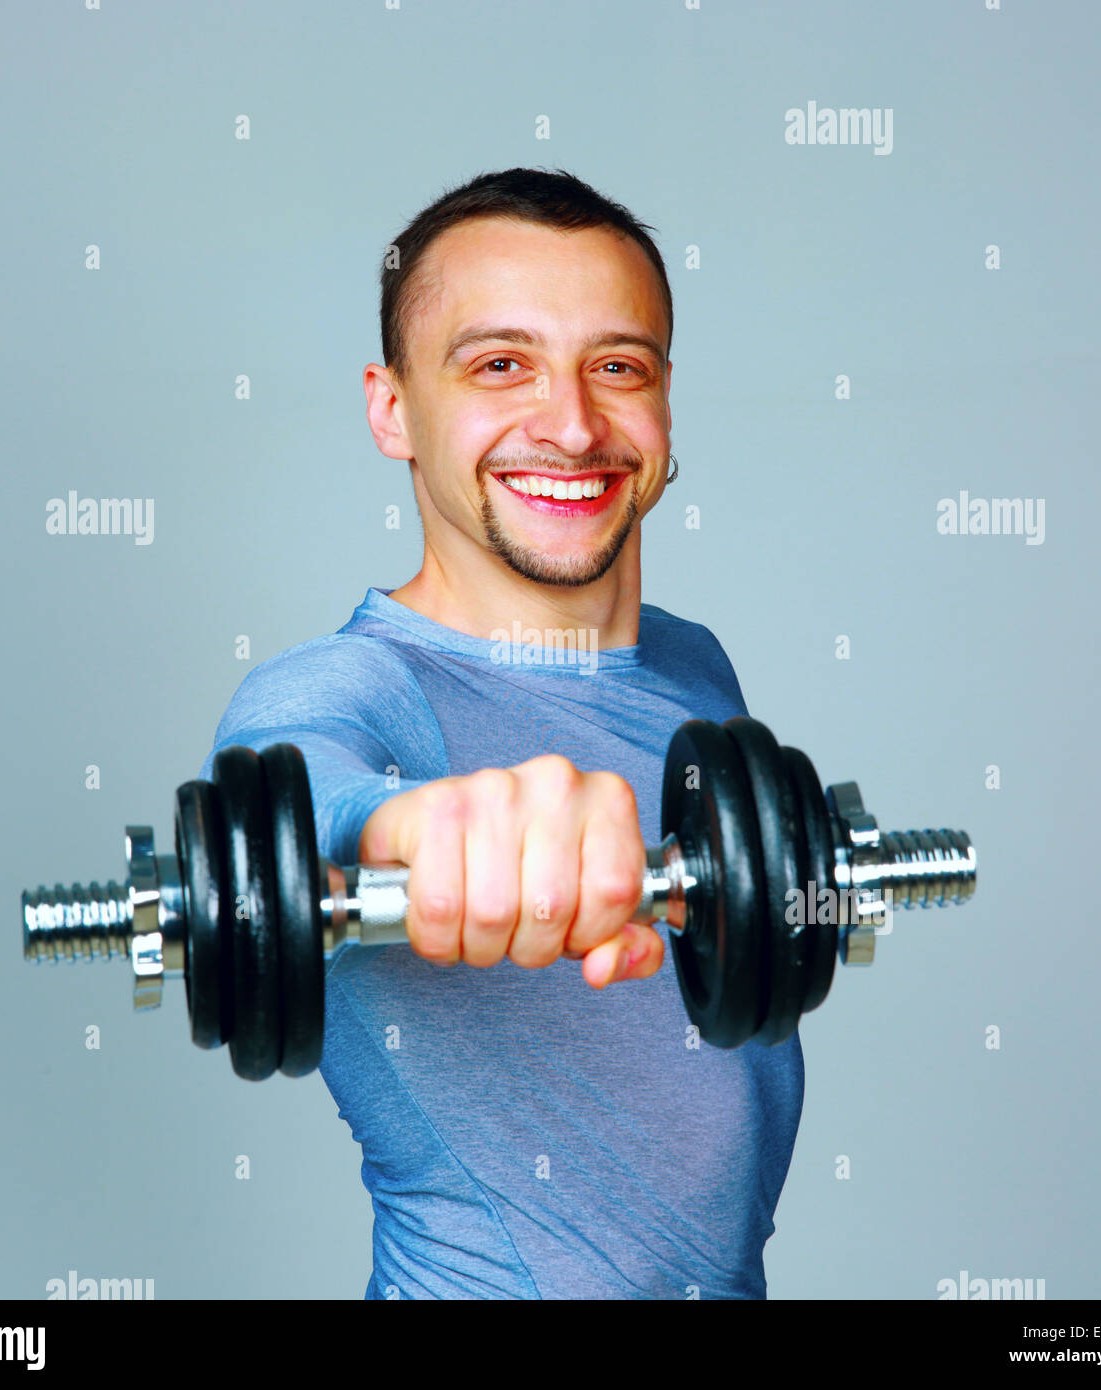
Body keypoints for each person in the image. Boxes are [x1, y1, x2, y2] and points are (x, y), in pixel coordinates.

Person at [200, 167, 803, 1299]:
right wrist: (413, 828)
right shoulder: (351, 687)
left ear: (665, 404)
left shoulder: (693, 666)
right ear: (392, 408)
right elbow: (292, 786)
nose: (572, 426)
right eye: (500, 365)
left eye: (617, 367)